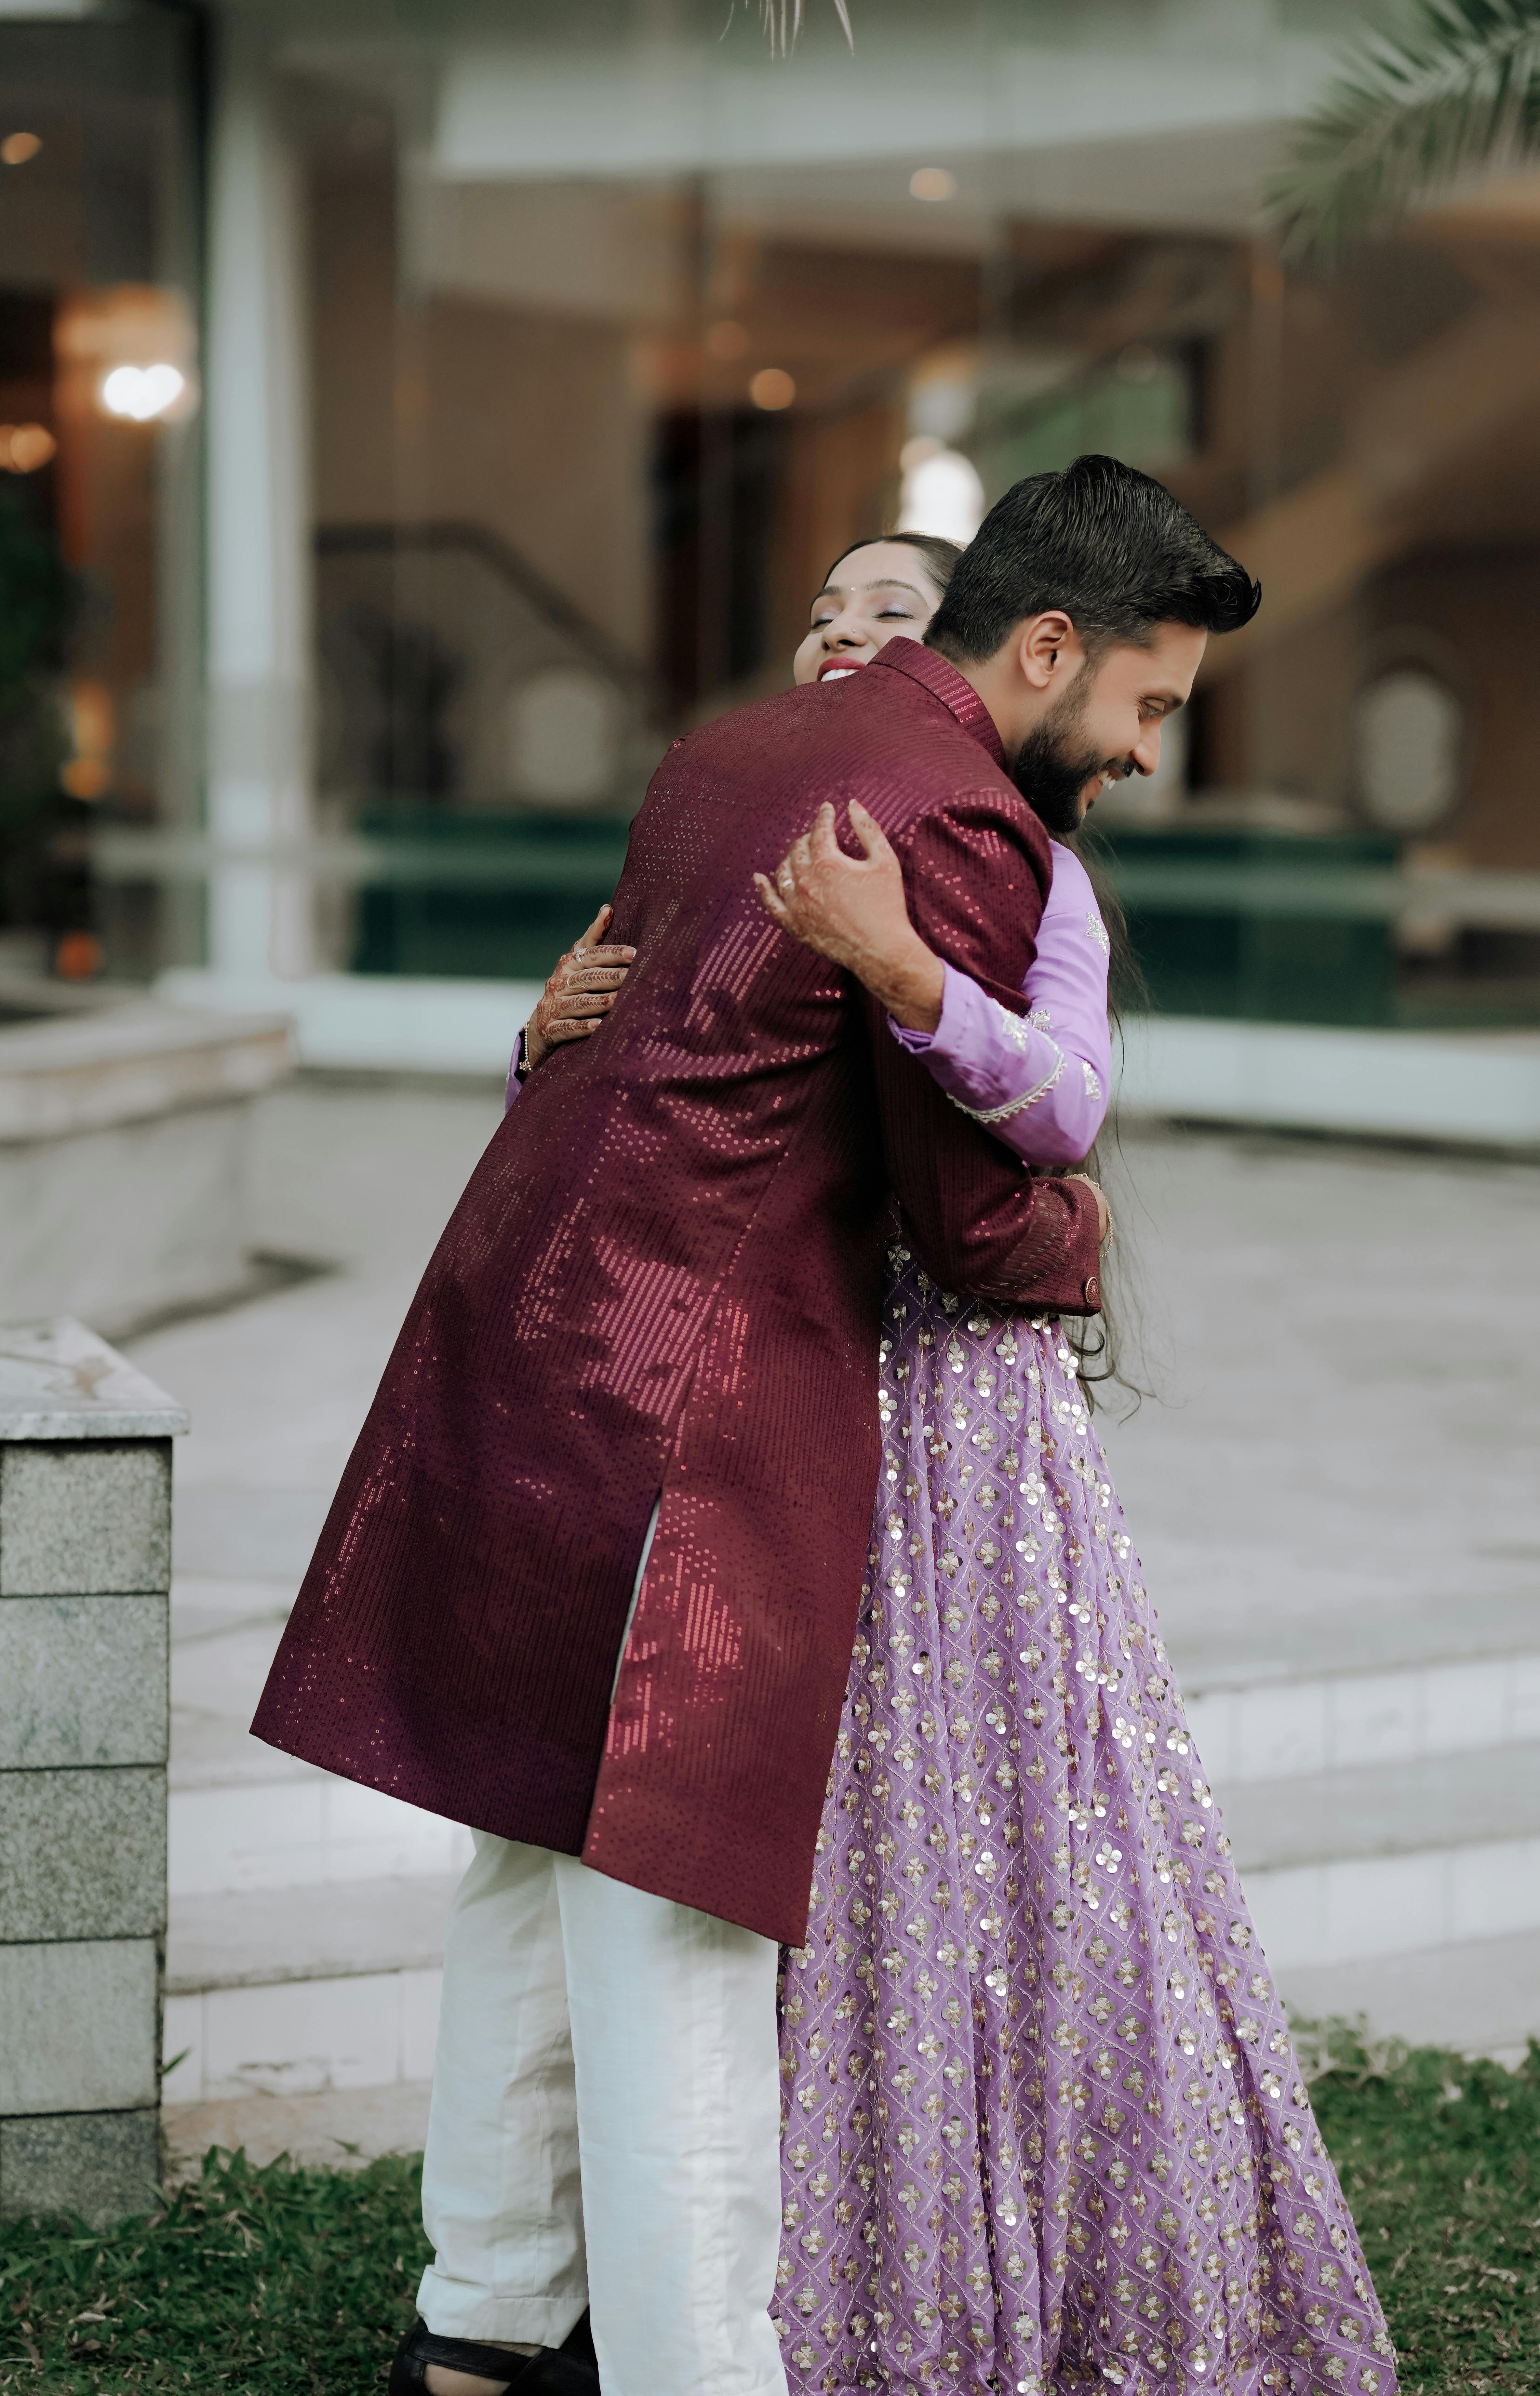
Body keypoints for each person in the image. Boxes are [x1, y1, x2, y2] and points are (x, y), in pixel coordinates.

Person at [252, 475, 1133, 2396]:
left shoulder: (801, 789)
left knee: (561, 1865)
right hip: (695, 1396)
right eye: (829, 609)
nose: (851, 642)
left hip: (613, 1363)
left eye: (887, 613)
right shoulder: (862, 805)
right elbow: (956, 1193)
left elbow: (1014, 1092)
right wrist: (1065, 1233)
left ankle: (482, 2325)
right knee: (666, 1918)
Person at [543, 483, 1396, 2396]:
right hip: (810, 1394)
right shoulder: (797, 809)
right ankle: (796, 2265)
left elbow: (1067, 1107)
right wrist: (551, 1034)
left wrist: (904, 970)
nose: (1155, 745)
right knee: (841, 1837)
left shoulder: (1023, 862)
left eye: (891, 616)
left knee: (1013, 1825)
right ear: (1044, 655)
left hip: (969, 1419)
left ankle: (1011, 2237)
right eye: (1159, 704)